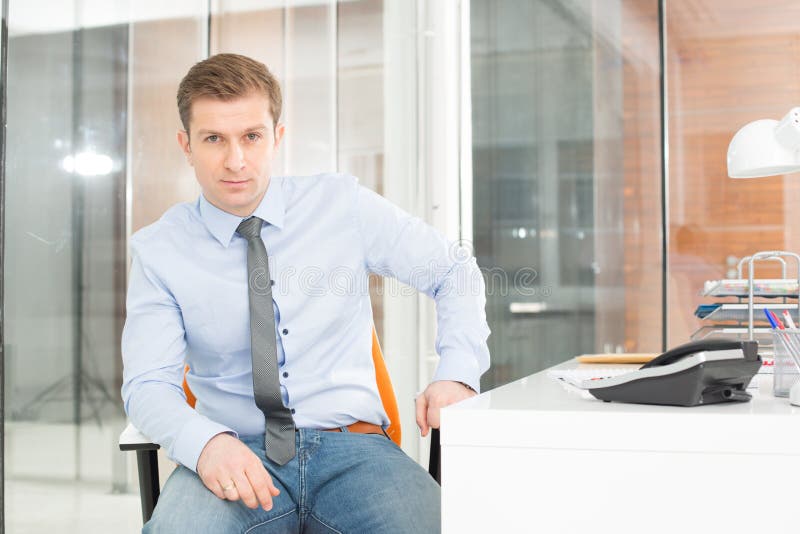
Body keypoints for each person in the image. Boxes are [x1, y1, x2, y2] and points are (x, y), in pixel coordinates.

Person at [121, 53, 490, 533]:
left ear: (276, 137)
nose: (235, 160)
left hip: (355, 450)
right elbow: (148, 385)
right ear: (185, 145)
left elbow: (453, 269)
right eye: (214, 139)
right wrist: (206, 444)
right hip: (234, 451)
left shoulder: (340, 204)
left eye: (251, 136)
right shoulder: (158, 251)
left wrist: (458, 374)